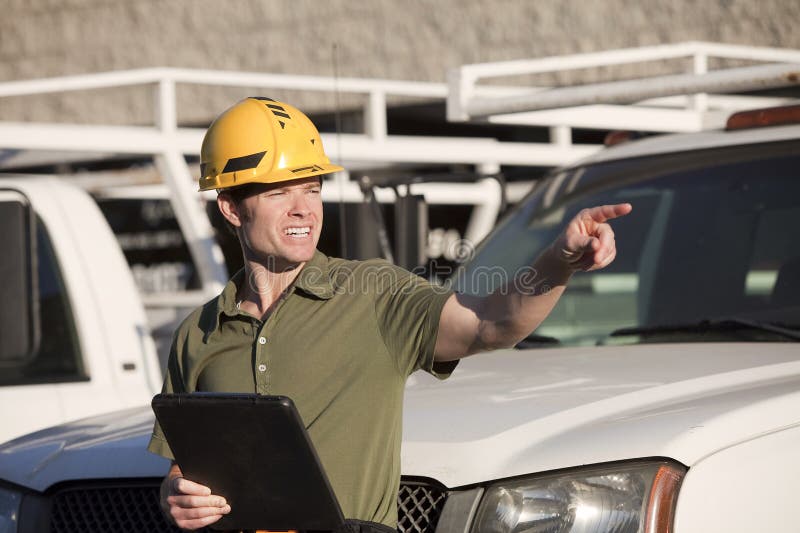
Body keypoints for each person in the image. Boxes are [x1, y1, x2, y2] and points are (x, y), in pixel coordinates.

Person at [147, 96, 632, 531]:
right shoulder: (197, 333)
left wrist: (558, 261)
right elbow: (183, 468)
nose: (303, 209)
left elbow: (491, 322)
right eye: (279, 192)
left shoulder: (373, 293)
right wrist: (175, 496)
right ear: (231, 207)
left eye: (312, 188)